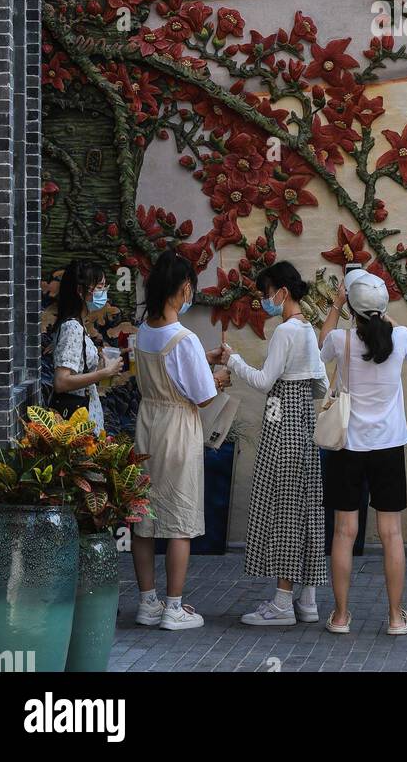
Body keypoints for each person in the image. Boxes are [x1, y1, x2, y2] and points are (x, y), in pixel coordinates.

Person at [221, 262, 329, 628]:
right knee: (306, 505)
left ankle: (282, 603)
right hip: (305, 421)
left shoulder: (285, 330)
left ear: (282, 291)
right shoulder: (308, 329)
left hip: (281, 422)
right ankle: (309, 599)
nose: (265, 300)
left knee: (282, 506)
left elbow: (265, 381)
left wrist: (234, 361)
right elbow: (322, 386)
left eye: (267, 293)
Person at [131, 249, 229, 631]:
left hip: (147, 423)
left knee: (143, 517)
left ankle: (147, 603)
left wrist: (203, 359)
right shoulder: (183, 337)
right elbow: (203, 395)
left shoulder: (144, 331)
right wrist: (219, 375)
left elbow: (165, 364)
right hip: (177, 428)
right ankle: (175, 607)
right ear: (185, 288)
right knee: (180, 519)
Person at [319, 264, 407, 636]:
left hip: (348, 445)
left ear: (353, 310)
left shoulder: (341, 341)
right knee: (391, 533)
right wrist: (373, 302)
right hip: (388, 446)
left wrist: (337, 303)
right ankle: (394, 617)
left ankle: (341, 616)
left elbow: (322, 341)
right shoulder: (401, 337)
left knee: (344, 532)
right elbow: (386, 325)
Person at [52, 259, 122, 430]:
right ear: (80, 291)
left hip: (86, 417)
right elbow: (61, 382)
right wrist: (104, 372)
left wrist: (101, 367)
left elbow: (78, 370)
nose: (104, 292)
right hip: (77, 423)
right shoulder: (72, 327)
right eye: (99, 287)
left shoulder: (78, 324)